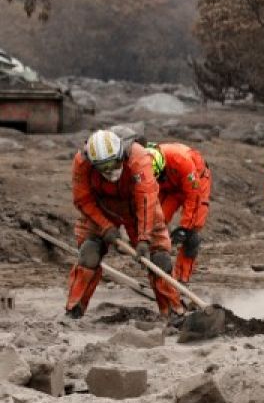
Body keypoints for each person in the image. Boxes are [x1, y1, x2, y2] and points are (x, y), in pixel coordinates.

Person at [65, 129, 185, 319]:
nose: (110, 171)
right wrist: (105, 227)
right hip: (100, 207)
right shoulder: (82, 162)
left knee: (159, 258)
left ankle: (172, 312)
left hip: (139, 207)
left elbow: (146, 199)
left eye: (113, 163)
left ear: (121, 154)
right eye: (103, 167)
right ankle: (74, 310)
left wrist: (144, 239)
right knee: (89, 254)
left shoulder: (138, 158)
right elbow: (82, 200)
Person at [146, 142, 212, 284]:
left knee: (192, 233)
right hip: (170, 186)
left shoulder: (182, 161)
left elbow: (193, 196)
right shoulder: (145, 163)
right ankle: (158, 270)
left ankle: (182, 278)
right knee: (156, 222)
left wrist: (184, 228)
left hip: (197, 181)